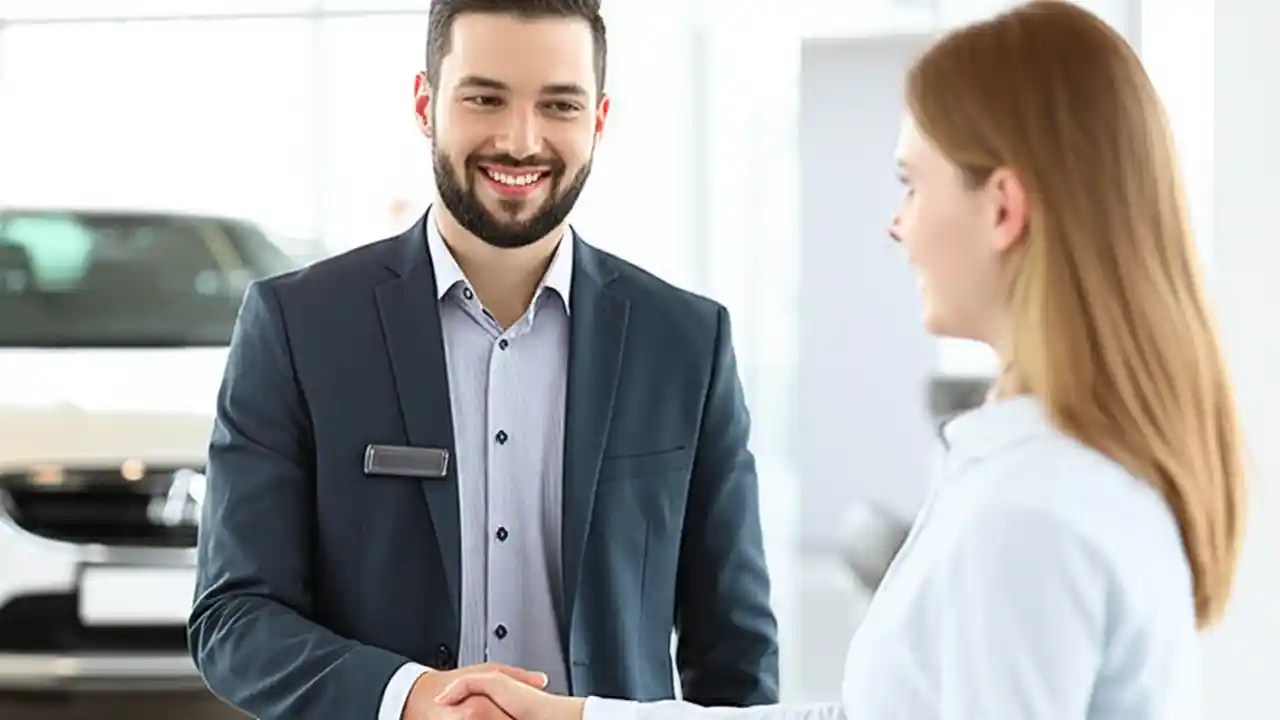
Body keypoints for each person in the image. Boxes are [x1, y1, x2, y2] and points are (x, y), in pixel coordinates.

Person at [430, 2, 1247, 718]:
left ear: (1002, 208)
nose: (899, 225)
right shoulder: (1062, 477)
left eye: (911, 184)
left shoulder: (1030, 513)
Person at [187, 1, 780, 718]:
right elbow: (236, 616)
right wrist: (406, 698)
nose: (520, 139)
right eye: (485, 97)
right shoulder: (298, 326)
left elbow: (736, 659)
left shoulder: (687, 342)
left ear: (598, 118)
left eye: (558, 104)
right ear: (425, 103)